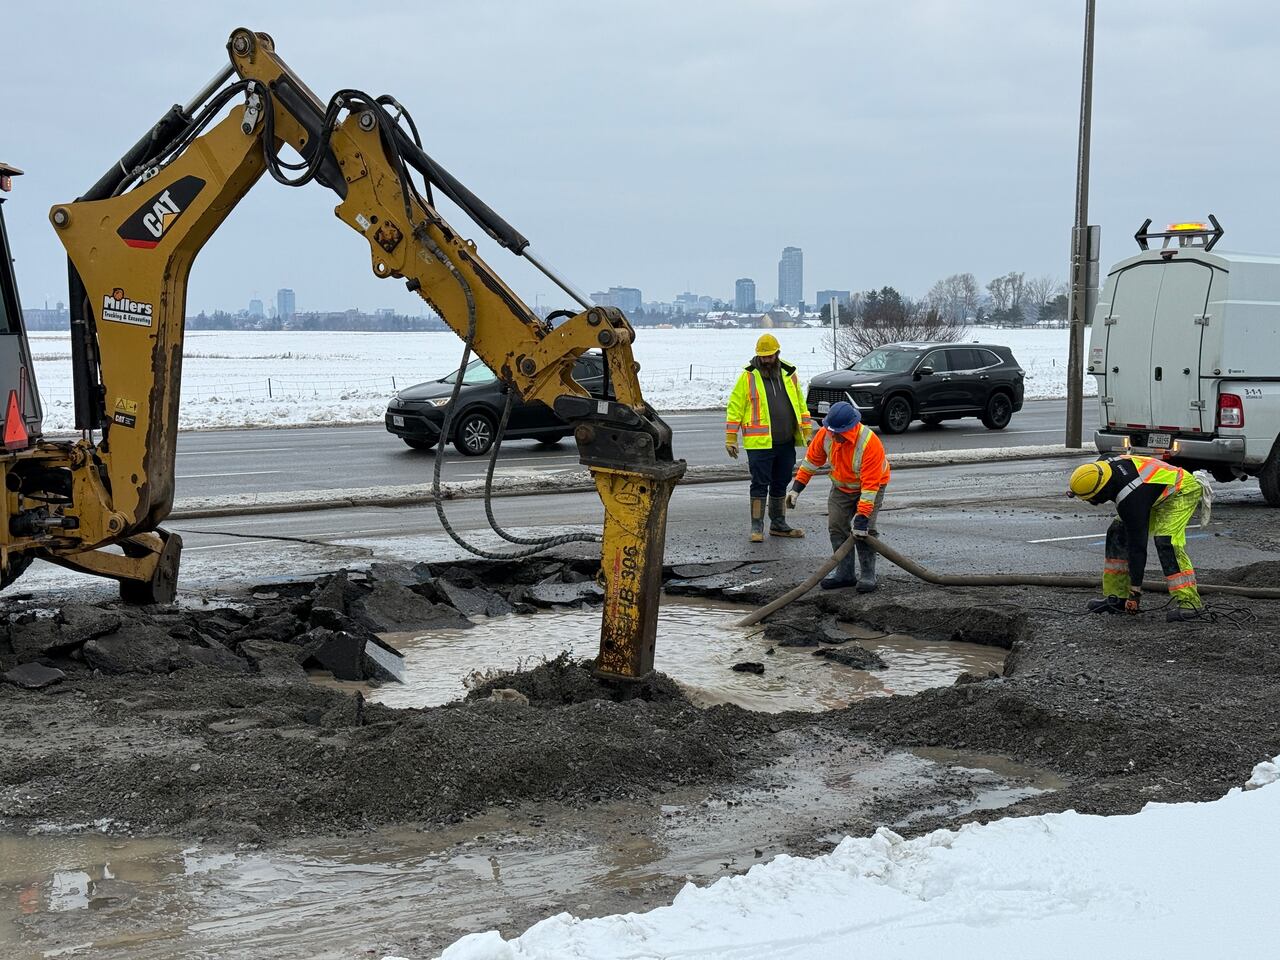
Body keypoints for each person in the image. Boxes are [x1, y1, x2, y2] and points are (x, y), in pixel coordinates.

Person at [1067, 455, 1206, 621]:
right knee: (1117, 532)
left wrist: (1135, 593)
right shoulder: (1102, 466)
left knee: (1166, 542)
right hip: (1151, 491)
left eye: (1092, 499)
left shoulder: (1131, 501)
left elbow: (1138, 548)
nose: (1092, 502)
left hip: (1180, 490)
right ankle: (1117, 597)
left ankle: (1190, 603)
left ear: (1103, 491)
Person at [786, 400, 890, 592]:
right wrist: (796, 489)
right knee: (836, 526)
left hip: (869, 488)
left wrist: (862, 518)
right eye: (831, 431)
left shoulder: (869, 443)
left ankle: (868, 575)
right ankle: (845, 573)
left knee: (865, 531)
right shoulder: (827, 435)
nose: (833, 436)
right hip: (841, 487)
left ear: (849, 428)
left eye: (837, 433)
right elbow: (811, 462)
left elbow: (869, 487)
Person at [725, 333, 814, 542]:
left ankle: (778, 523)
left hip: (785, 442)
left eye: (770, 356)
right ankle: (757, 526)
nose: (766, 360)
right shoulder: (748, 376)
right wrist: (731, 437)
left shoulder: (789, 373)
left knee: (780, 482)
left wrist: (807, 431)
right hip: (760, 444)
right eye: (763, 356)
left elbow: (800, 404)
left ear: (777, 354)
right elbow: (735, 407)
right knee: (759, 483)